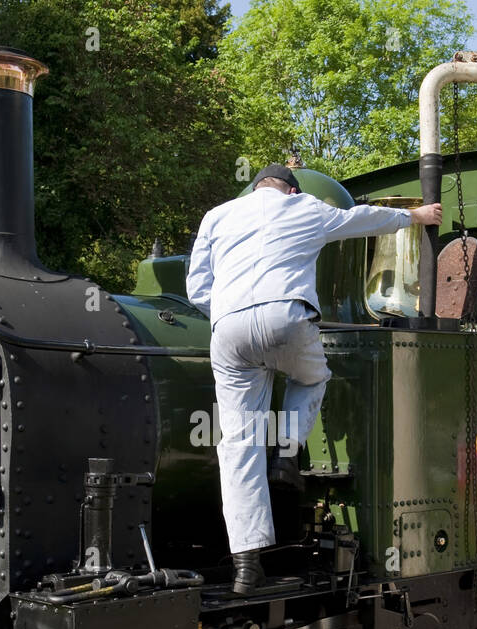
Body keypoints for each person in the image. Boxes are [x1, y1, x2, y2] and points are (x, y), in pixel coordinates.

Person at [186, 162, 443, 594]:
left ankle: (247, 564)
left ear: (255, 188)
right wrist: (414, 216)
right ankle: (287, 453)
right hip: (286, 315)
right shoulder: (304, 207)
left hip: (226, 329)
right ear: (289, 190)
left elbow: (197, 289)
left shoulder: (218, 214)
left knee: (237, 443)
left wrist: (235, 315)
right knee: (311, 378)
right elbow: (360, 220)